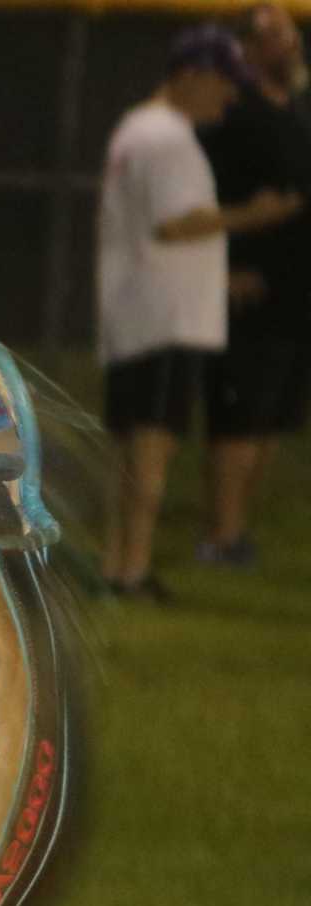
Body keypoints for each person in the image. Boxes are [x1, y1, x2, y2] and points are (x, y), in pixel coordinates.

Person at [95, 24, 299, 600]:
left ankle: (119, 566)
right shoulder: (166, 137)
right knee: (151, 451)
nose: (229, 97)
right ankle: (130, 572)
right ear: (191, 75)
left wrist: (219, 273)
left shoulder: (143, 128)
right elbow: (175, 223)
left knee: (134, 452)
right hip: (163, 319)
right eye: (222, 83)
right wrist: (254, 214)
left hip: (142, 312)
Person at [198, 4, 311, 567]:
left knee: (272, 414)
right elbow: (198, 200)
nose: (290, 44)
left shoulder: (294, 109)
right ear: (246, 48)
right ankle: (220, 534)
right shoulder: (232, 114)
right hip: (246, 286)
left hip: (294, 290)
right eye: (276, 35)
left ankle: (238, 533)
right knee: (238, 415)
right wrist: (218, 269)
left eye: (291, 33)